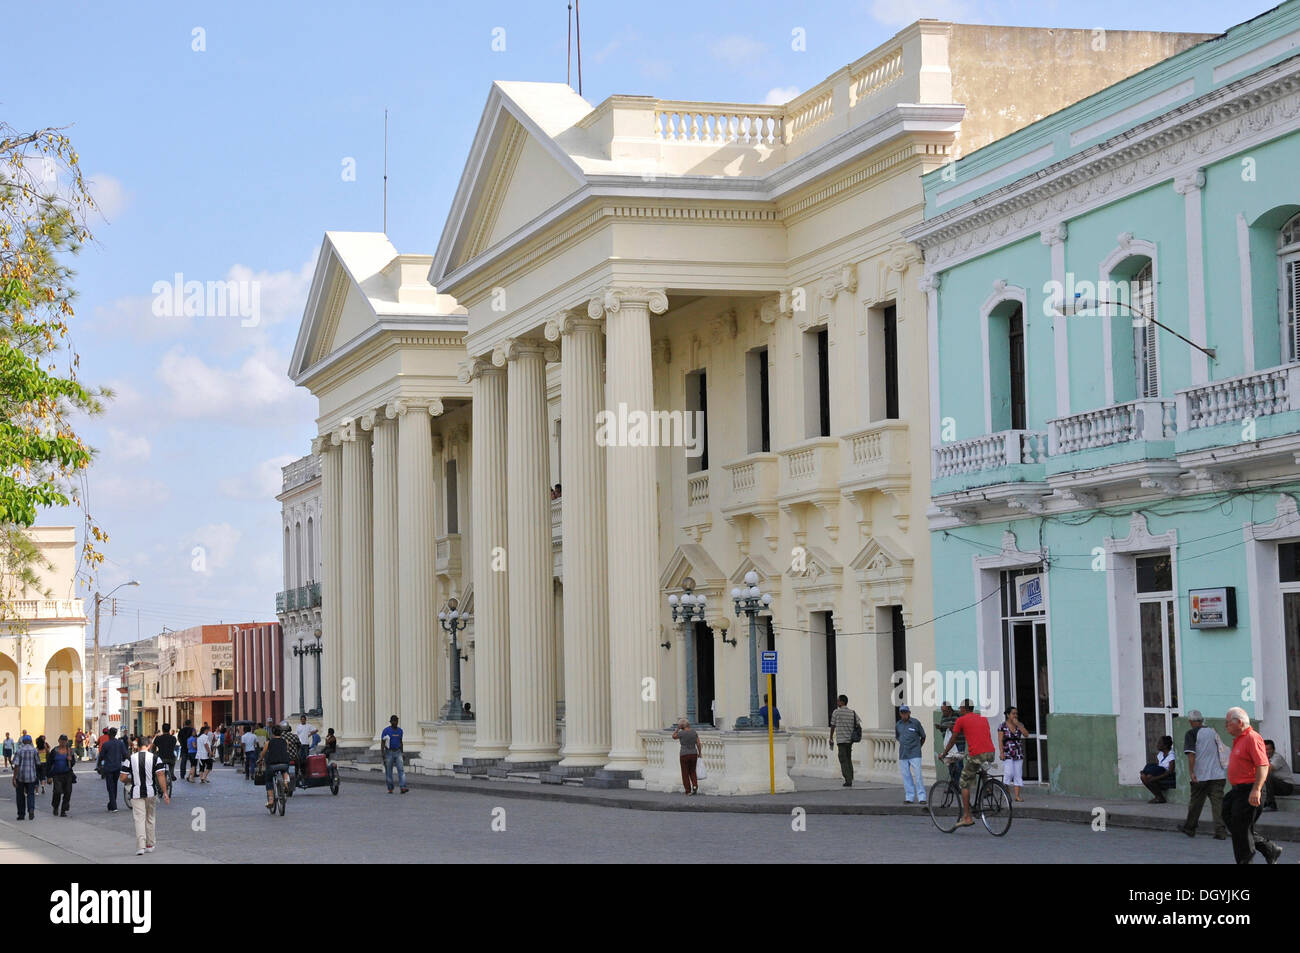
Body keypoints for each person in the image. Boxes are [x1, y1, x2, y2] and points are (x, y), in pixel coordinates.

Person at [1221, 707, 1282, 863]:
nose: (1225, 726)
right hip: (1237, 790)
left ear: (1239, 722)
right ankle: (1270, 849)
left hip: (1250, 788)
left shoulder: (1252, 738)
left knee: (1241, 829)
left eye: (1227, 723)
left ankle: (1246, 860)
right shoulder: (1240, 738)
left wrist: (1256, 789)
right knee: (1230, 818)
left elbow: (1263, 765)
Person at [939, 699, 995, 828]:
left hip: (977, 754)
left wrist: (944, 753)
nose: (959, 710)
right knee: (981, 770)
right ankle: (988, 787)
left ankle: (967, 817)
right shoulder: (982, 718)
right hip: (990, 752)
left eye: (960, 708)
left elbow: (953, 739)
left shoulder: (961, 720)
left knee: (964, 782)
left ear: (964, 709)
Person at [1179, 710, 1227, 839]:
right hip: (1218, 775)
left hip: (1201, 776)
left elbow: (1191, 755)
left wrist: (1192, 772)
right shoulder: (1213, 731)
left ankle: (1190, 828)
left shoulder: (1191, 733)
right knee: (1218, 805)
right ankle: (1220, 832)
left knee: (1196, 803)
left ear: (1190, 721)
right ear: (1202, 720)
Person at [120, 735, 169, 855]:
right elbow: (161, 775)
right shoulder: (155, 758)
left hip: (136, 793)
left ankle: (140, 847)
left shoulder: (130, 759)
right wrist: (165, 792)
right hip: (151, 792)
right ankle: (150, 844)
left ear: (137, 745)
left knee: (139, 819)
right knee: (150, 818)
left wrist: (131, 782)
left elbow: (122, 777)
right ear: (149, 745)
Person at [896, 705, 927, 804]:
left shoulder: (915, 723)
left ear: (909, 713)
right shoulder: (898, 725)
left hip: (915, 753)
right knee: (906, 776)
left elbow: (923, 736)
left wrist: (918, 747)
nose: (904, 714)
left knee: (918, 775)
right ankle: (909, 796)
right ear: (900, 714)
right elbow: (898, 737)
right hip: (903, 754)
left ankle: (922, 797)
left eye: (905, 712)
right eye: (902, 712)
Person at [827, 694, 860, 788]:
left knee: (843, 759)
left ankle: (848, 779)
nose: (837, 702)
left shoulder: (836, 712)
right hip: (850, 740)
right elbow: (858, 724)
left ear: (842, 702)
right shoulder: (852, 712)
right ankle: (851, 776)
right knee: (849, 759)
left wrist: (830, 737)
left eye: (838, 701)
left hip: (841, 740)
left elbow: (833, 726)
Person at [257, 724, 291, 812]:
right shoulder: (285, 741)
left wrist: (260, 759)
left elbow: (263, 753)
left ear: (272, 733)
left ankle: (271, 800)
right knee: (285, 771)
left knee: (268, 780)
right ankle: (286, 783)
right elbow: (286, 751)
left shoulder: (268, 742)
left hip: (272, 765)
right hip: (284, 764)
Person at [998, 707, 1027, 802]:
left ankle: (1017, 796)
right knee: (1008, 773)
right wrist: (1001, 753)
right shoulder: (1002, 726)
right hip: (1007, 752)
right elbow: (1000, 741)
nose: (1015, 715)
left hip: (1018, 752)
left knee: (1018, 774)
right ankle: (1007, 795)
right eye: (1013, 713)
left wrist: (1018, 724)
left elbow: (1026, 734)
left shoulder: (1019, 725)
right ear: (1008, 715)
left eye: (1016, 713)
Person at [96, 727, 128, 813]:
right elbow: (125, 754)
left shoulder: (106, 744)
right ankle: (111, 804)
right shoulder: (120, 743)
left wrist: (99, 764)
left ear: (109, 734)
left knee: (110, 786)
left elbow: (101, 756)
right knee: (114, 785)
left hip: (109, 768)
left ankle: (113, 806)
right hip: (117, 767)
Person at [1139, 735, 1176, 803]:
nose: (1157, 745)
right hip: (1160, 774)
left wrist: (1155, 778)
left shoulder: (1171, 755)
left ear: (1165, 746)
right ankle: (1158, 797)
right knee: (1143, 776)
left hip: (1168, 777)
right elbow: (1157, 766)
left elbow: (1170, 771)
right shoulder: (1160, 754)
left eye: (1159, 743)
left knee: (1149, 777)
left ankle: (1160, 797)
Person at [49, 735, 77, 817]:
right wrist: (49, 776)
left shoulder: (69, 751)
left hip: (67, 774)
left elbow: (72, 764)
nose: (63, 742)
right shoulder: (54, 751)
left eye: (65, 741)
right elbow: (49, 763)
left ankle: (63, 810)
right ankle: (55, 807)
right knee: (57, 791)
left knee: (68, 792)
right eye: (62, 740)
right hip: (57, 775)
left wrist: (70, 760)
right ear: (59, 740)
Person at [672, 718, 702, 794]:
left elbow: (674, 736)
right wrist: (700, 753)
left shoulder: (681, 733)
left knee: (685, 773)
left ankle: (688, 791)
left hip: (684, 754)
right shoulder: (694, 732)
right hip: (693, 753)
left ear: (682, 726)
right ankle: (695, 786)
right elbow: (698, 743)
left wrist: (677, 729)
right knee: (692, 771)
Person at [12, 734, 38, 820]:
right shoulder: (34, 751)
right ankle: (31, 809)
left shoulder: (19, 751)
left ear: (23, 741)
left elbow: (16, 765)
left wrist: (14, 778)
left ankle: (21, 815)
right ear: (30, 741)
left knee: (20, 795)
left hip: (20, 777)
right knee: (31, 794)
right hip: (31, 777)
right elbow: (38, 763)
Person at [1263, 739, 1294, 810]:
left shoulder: (1277, 757)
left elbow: (1267, 769)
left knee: (1266, 775)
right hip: (1276, 787)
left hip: (1287, 787)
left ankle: (1271, 805)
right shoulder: (1265, 758)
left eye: (1269, 749)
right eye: (1265, 749)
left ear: (1274, 749)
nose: (1267, 752)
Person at [381, 715, 408, 794]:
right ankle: (390, 788)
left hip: (398, 752)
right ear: (391, 722)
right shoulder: (386, 731)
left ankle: (403, 787)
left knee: (401, 770)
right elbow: (382, 742)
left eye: (396, 721)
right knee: (389, 771)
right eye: (393, 721)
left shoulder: (400, 731)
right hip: (389, 752)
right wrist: (383, 754)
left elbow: (401, 742)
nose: (395, 723)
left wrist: (402, 753)